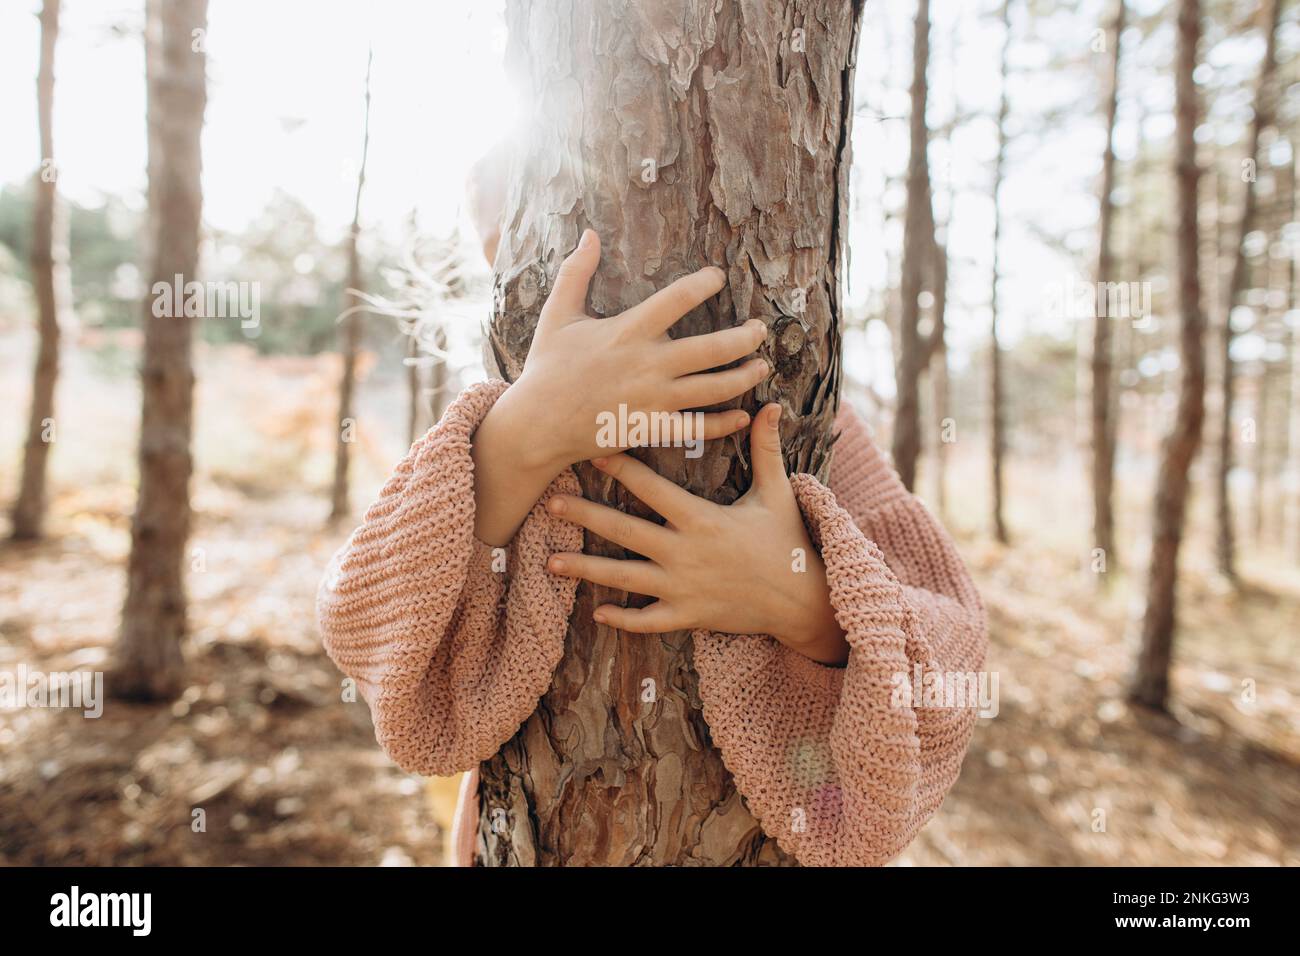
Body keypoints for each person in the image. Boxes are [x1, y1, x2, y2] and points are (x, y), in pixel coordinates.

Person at [317, 160, 987, 867]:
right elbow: (376, 640)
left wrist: (802, 603)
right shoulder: (482, 417)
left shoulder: (803, 414)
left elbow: (950, 660)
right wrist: (524, 435)